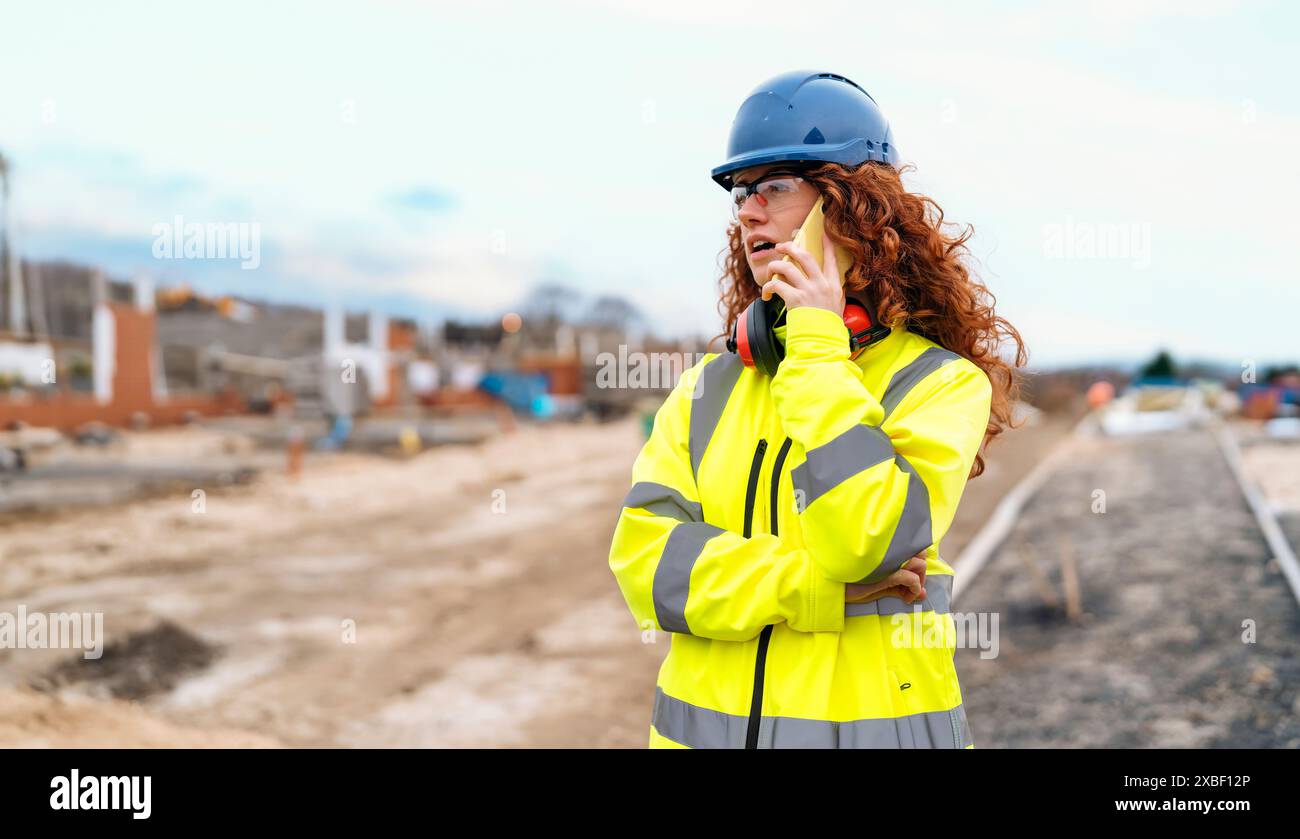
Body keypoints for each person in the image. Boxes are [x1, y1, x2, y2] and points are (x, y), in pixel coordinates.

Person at [608, 70, 1026, 748]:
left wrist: (816, 347)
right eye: (742, 193)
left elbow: (866, 541)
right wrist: (813, 588)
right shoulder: (708, 387)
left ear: (853, 205)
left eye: (774, 187)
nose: (746, 211)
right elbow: (648, 570)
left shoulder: (940, 384)